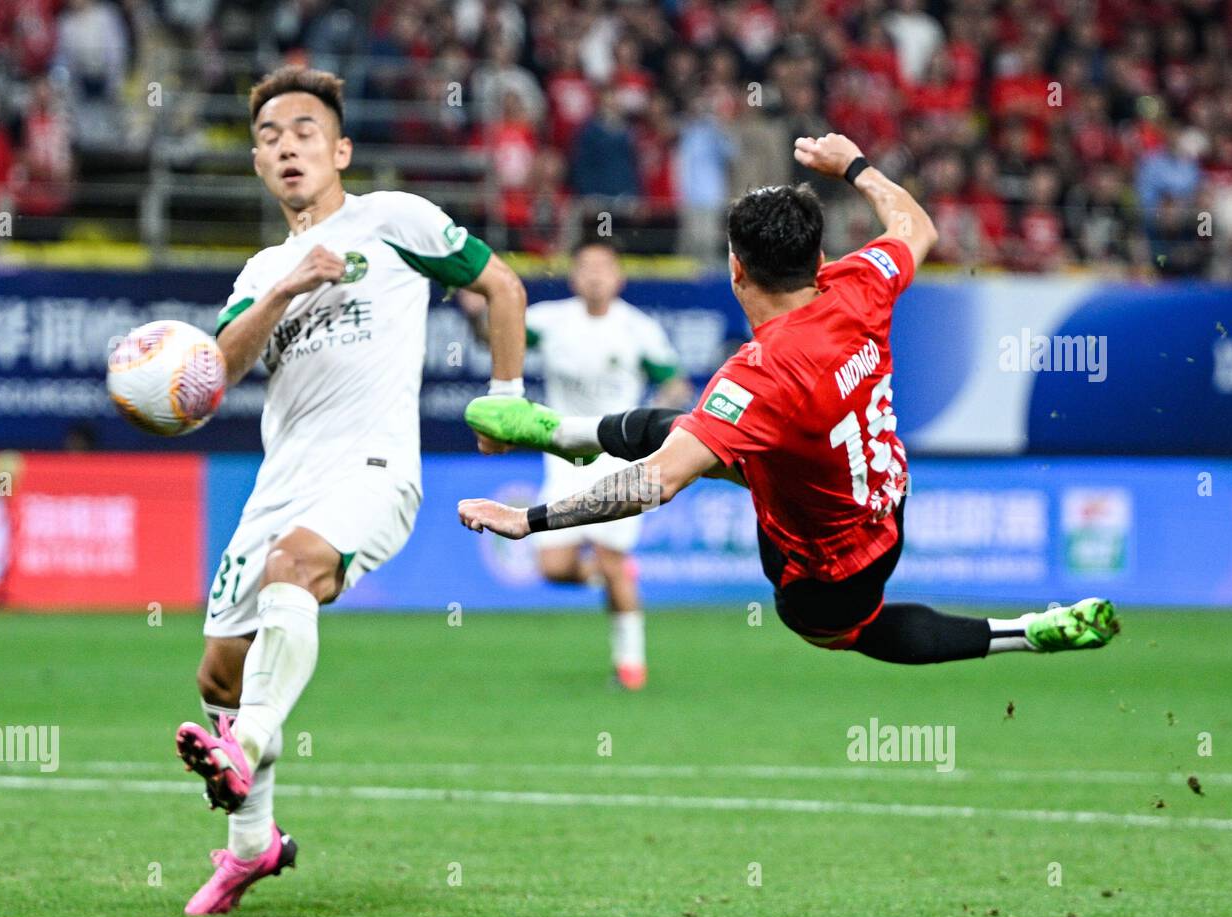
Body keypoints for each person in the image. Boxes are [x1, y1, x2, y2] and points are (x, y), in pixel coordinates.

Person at [460, 133, 1119, 663]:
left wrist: (531, 520)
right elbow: (914, 224)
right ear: (821, 255)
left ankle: (1023, 633)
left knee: (848, 633)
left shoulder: (756, 376)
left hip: (824, 565)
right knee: (702, 434)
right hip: (878, 494)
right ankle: (564, 433)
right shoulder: (858, 282)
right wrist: (856, 164)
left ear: (736, 269)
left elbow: (654, 483)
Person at [176, 66, 528, 916]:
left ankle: (246, 745)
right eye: (268, 137)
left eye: (303, 130)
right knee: (221, 676)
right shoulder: (261, 268)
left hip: (374, 468)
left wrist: (506, 400)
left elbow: (502, 286)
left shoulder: (395, 219)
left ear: (339, 149)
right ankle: (254, 846)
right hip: (280, 481)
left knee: (293, 573)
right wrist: (290, 285)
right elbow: (213, 372)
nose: (286, 144)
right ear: (258, 164)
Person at [460, 237, 688, 688]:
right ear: (574, 276)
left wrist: (654, 423)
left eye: (604, 267)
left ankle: (630, 668)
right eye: (586, 268)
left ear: (619, 277)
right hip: (565, 455)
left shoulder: (638, 328)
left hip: (619, 457)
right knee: (553, 567)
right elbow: (495, 335)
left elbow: (674, 384)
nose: (595, 276)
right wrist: (473, 315)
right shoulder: (553, 320)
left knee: (613, 557)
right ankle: (605, 576)